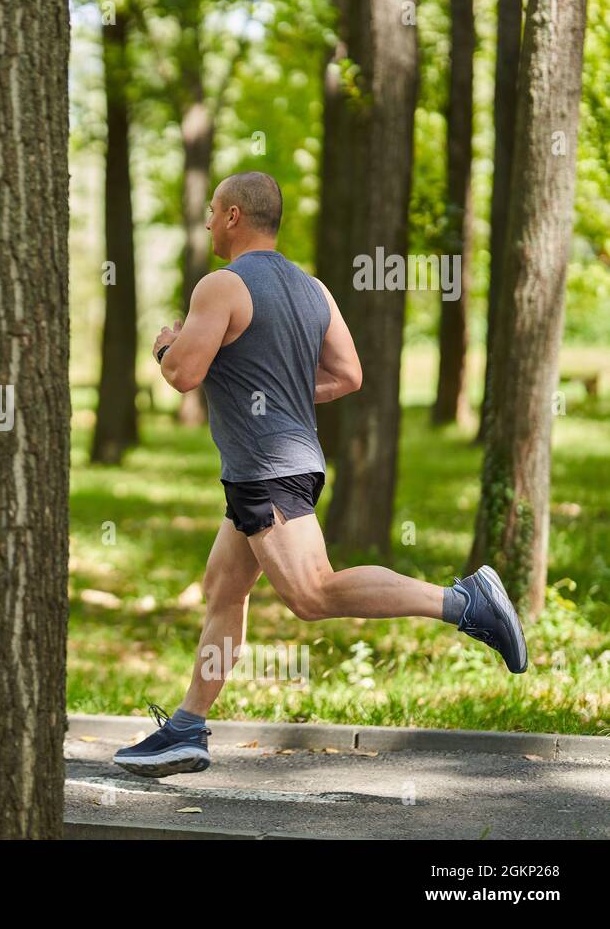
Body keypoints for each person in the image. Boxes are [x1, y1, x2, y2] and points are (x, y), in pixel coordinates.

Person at [113, 171, 528, 779]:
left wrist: (164, 345)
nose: (205, 221)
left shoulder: (220, 287)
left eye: (212, 210)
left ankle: (465, 602)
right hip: (286, 461)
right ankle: (185, 729)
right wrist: (274, 395)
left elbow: (182, 375)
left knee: (311, 593)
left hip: (265, 471)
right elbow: (348, 375)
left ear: (233, 217)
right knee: (223, 591)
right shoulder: (314, 290)